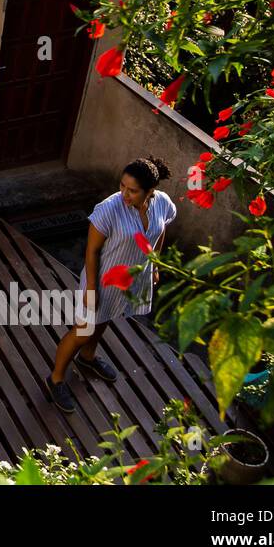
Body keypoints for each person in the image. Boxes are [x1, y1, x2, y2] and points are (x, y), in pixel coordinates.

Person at [44, 155, 176, 414]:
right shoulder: (108, 209)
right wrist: (91, 288)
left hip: (130, 279)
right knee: (83, 330)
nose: (125, 194)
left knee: (105, 319)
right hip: (101, 279)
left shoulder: (162, 204)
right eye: (122, 186)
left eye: (133, 190)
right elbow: (91, 252)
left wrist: (156, 264)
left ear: (150, 192)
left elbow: (161, 230)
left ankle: (88, 358)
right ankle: (56, 378)